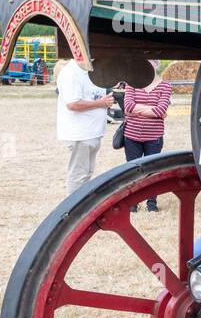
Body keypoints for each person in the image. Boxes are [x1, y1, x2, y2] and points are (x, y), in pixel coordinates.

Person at [56, 59, 113, 195]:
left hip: (92, 132)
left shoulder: (90, 70)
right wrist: (101, 103)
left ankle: (82, 208)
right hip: (80, 134)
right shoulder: (71, 72)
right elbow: (73, 104)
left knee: (86, 174)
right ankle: (74, 212)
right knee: (78, 176)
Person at [122, 61, 172, 211]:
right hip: (132, 135)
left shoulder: (165, 86)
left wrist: (137, 110)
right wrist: (154, 110)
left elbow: (161, 109)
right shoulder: (132, 84)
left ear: (157, 64)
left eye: (151, 62)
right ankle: (132, 203)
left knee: (152, 170)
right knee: (133, 170)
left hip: (154, 136)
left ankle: (151, 203)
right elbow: (128, 107)